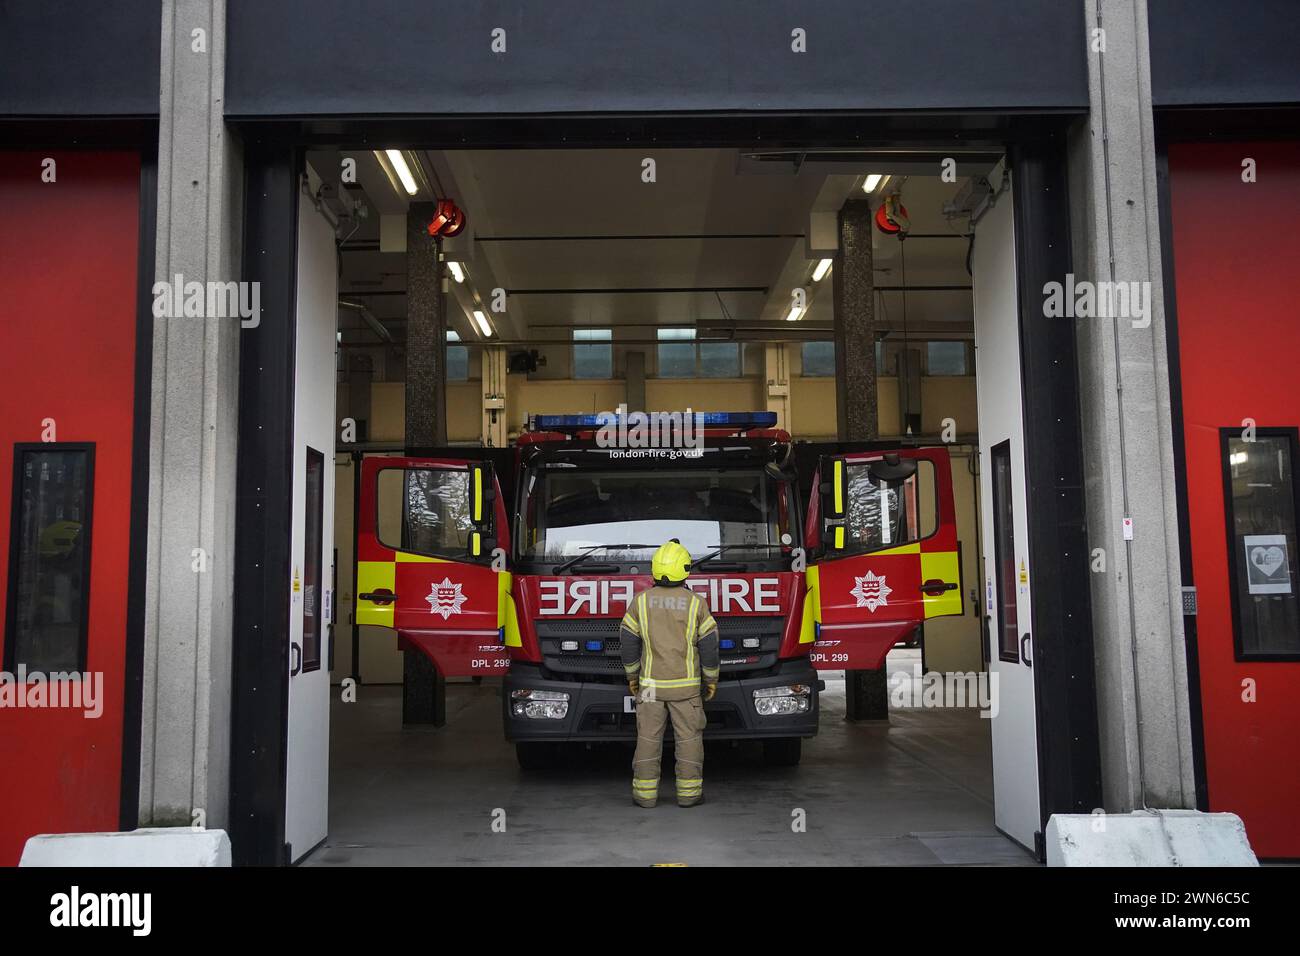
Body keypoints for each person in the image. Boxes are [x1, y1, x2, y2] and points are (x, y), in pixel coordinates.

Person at [619, 539, 719, 807]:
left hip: (650, 686)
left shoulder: (640, 602)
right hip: (685, 689)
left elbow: (627, 642)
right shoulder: (696, 604)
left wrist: (632, 676)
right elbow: (710, 647)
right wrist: (710, 680)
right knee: (688, 740)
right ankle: (688, 795)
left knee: (648, 738)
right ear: (685, 569)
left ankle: (645, 796)